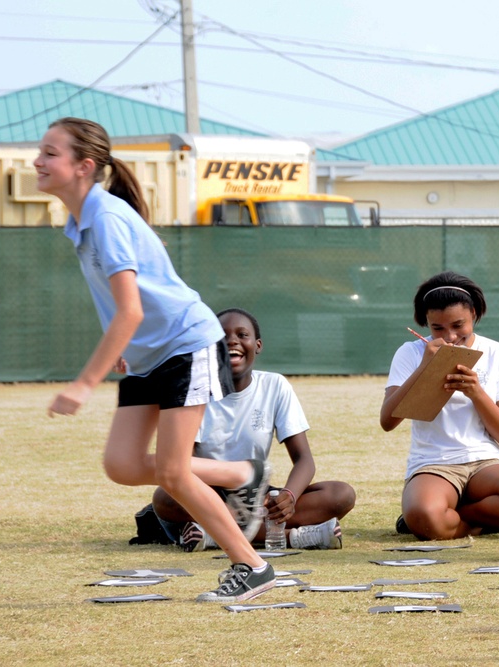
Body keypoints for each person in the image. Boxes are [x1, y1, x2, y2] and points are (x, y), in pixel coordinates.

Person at [39, 117, 274, 603]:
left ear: (84, 167)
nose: (37, 161)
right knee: (122, 466)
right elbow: (128, 297)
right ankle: (238, 474)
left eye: (50, 153)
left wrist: (85, 384)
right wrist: (127, 347)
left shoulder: (104, 217)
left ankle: (251, 566)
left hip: (187, 346)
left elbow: (131, 308)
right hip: (151, 355)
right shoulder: (84, 219)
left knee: (172, 472)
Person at [151, 308, 356, 551]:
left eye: (242, 334)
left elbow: (304, 460)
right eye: (222, 336)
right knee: (164, 498)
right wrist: (229, 495)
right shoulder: (193, 390)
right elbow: (184, 464)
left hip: (257, 495)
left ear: (257, 345)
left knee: (340, 494)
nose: (232, 341)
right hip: (209, 493)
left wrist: (288, 497)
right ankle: (293, 537)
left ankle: (212, 535)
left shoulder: (275, 385)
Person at [380, 272, 499, 540]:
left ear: (475, 314)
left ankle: (456, 515)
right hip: (433, 464)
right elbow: (387, 422)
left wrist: (476, 392)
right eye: (438, 328)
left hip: (485, 463)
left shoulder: (498, 353)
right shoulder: (410, 353)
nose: (451, 336)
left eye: (459, 325)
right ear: (426, 324)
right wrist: (425, 368)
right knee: (425, 516)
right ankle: (455, 518)